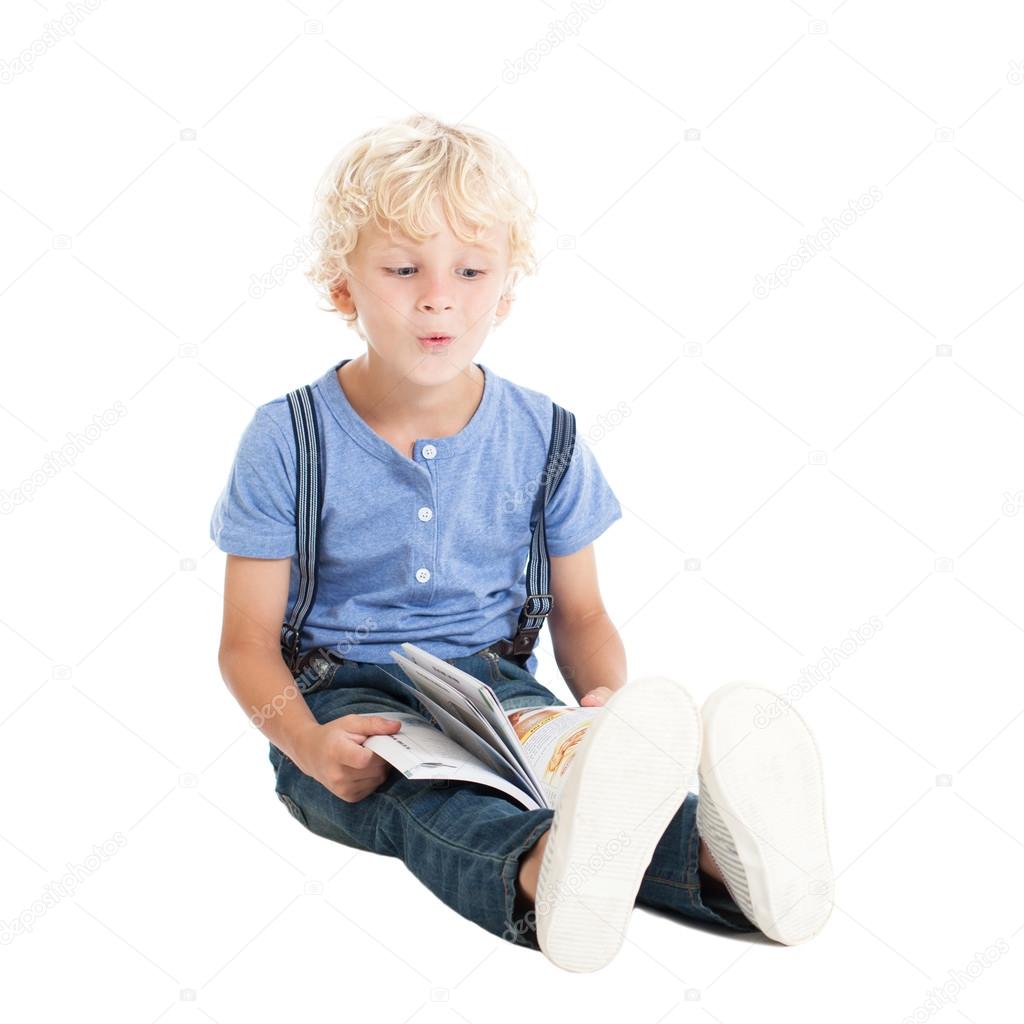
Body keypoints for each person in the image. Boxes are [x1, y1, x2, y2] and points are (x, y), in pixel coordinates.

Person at [209, 114, 833, 972]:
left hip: (498, 692)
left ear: (505, 292)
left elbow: (581, 613)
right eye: (403, 269)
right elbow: (244, 643)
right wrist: (308, 747)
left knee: (575, 772)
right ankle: (543, 877)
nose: (439, 298)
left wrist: (603, 697)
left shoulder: (545, 436)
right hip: (342, 707)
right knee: (429, 797)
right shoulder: (288, 438)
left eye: (471, 271)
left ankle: (728, 862)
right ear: (342, 286)